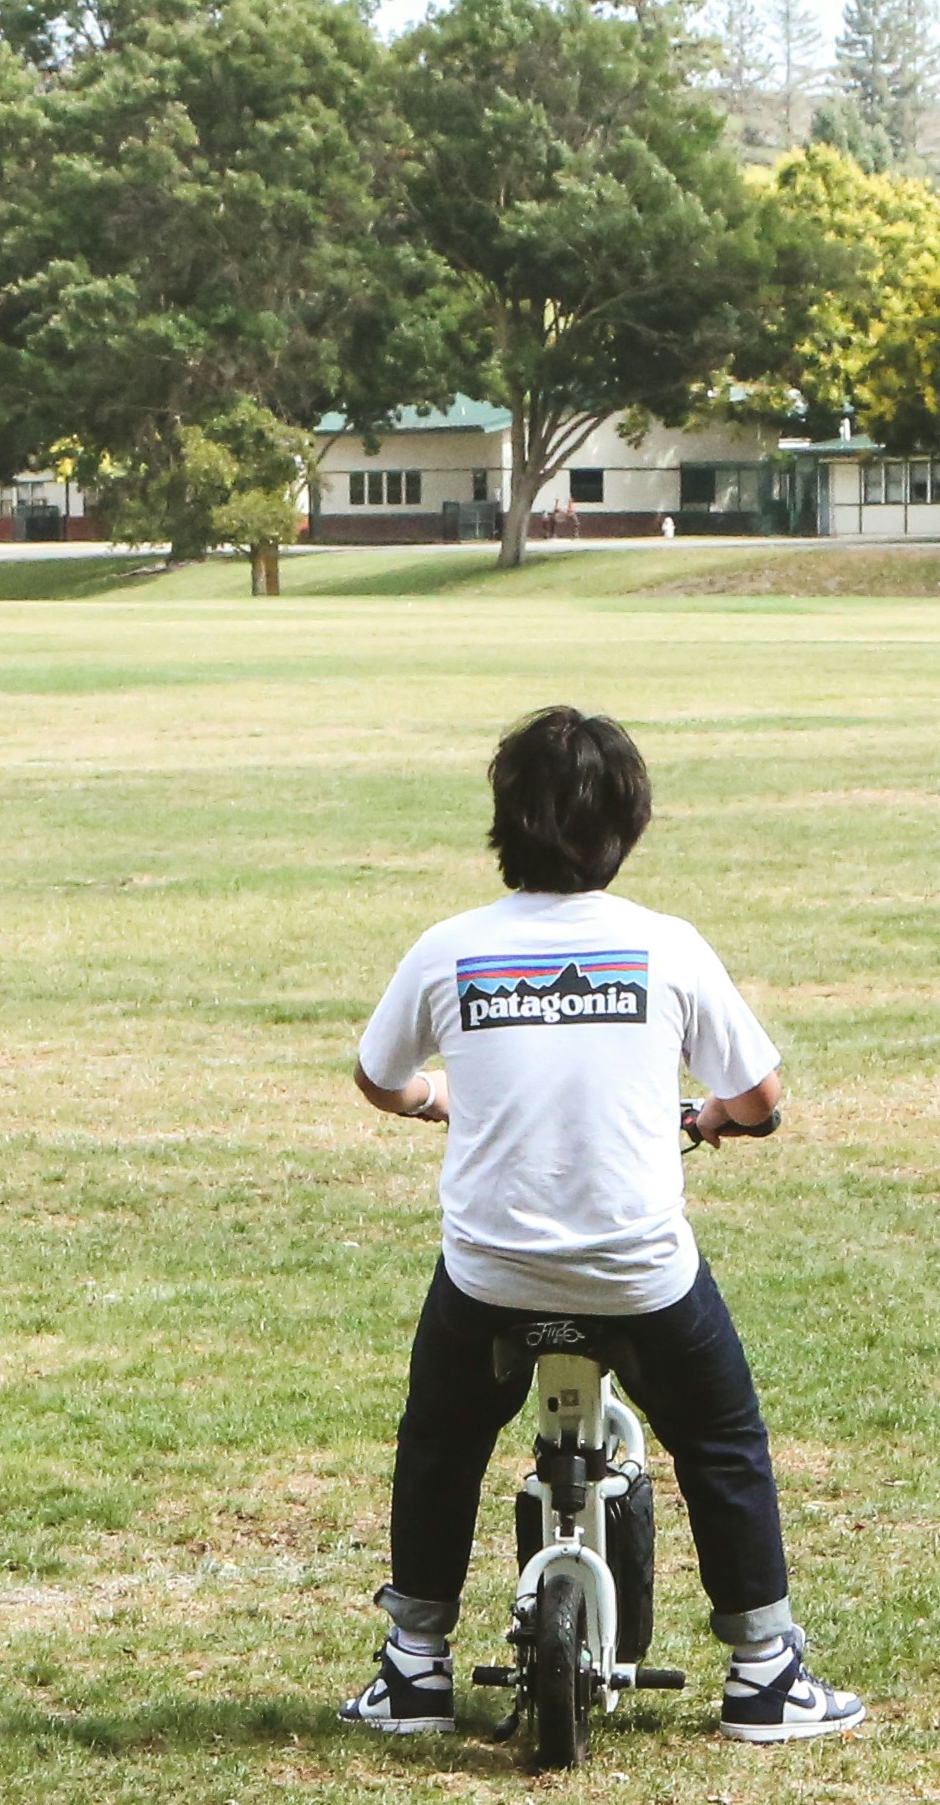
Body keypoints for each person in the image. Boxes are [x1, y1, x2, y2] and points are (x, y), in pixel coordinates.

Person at [340, 705, 863, 1744]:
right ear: (628, 825)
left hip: (491, 1276)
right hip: (638, 1276)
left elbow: (377, 1078)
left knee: (439, 1443)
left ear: (504, 823)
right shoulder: (664, 947)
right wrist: (712, 1120)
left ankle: (414, 1669)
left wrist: (434, 1102)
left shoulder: (452, 950)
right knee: (721, 1441)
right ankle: (765, 1674)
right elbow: (759, 1099)